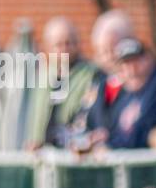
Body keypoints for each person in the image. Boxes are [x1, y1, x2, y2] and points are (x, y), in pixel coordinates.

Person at [25, 17, 105, 149]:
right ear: (48, 47)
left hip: (75, 150)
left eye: (69, 43)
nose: (65, 48)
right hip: (44, 153)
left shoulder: (92, 75)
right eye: (59, 44)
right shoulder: (42, 77)